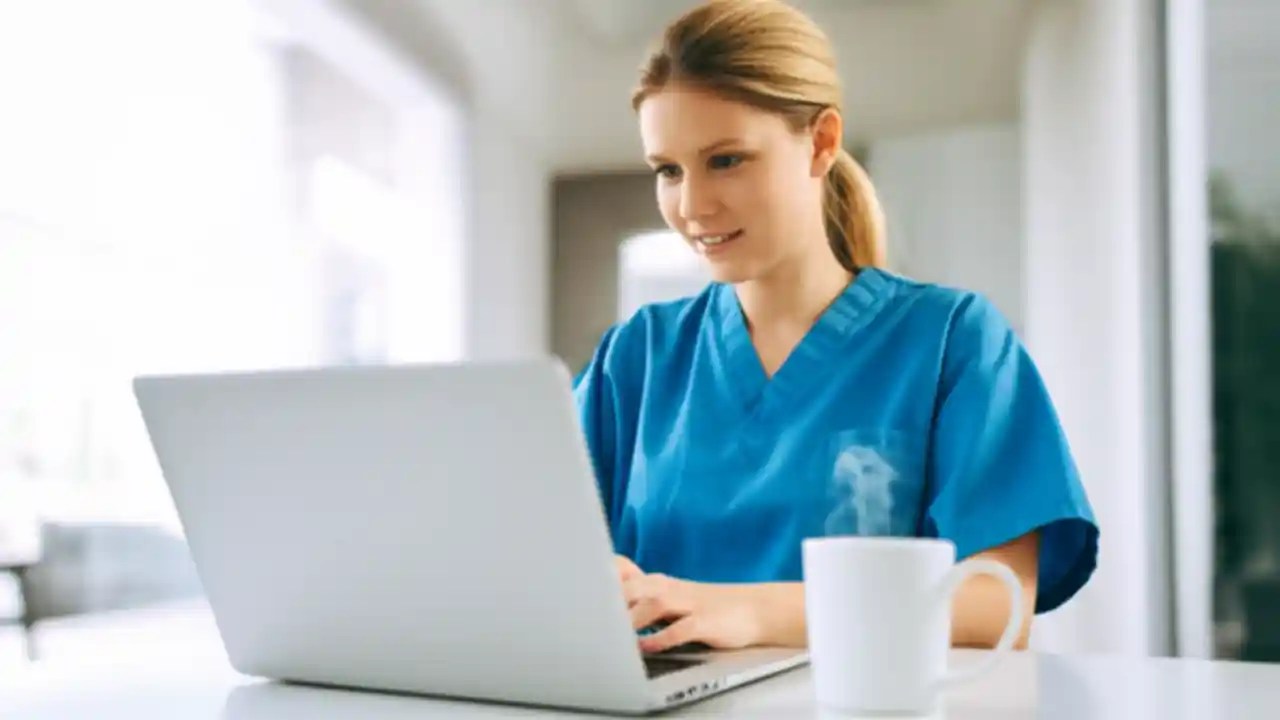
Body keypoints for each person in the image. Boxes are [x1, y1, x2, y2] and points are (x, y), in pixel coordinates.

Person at [573, 0, 1098, 655]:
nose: (691, 205)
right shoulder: (636, 358)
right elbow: (545, 561)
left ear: (820, 143)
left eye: (727, 159)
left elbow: (999, 606)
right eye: (668, 170)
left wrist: (752, 613)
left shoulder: (952, 342)